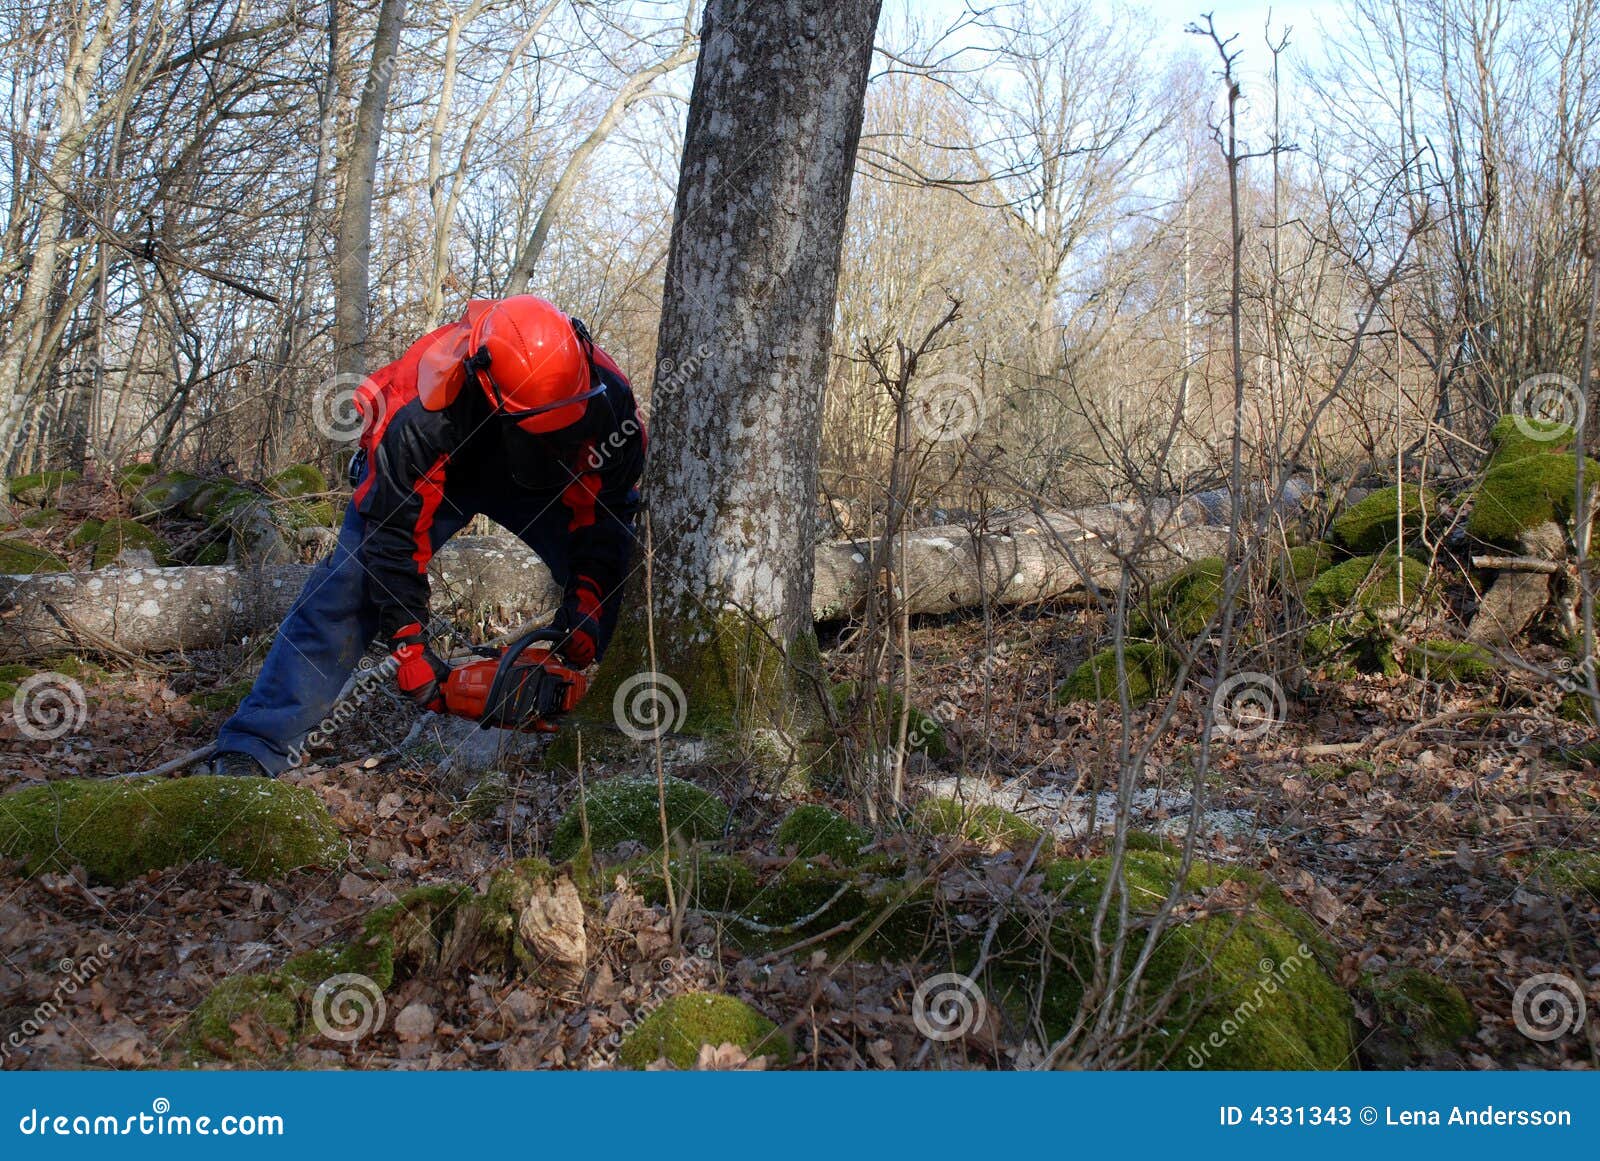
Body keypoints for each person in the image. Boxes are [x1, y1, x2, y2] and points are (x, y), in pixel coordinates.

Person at [209, 295, 645, 777]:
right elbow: (390, 538)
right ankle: (258, 742)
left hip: (550, 484)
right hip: (441, 476)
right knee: (349, 587)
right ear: (484, 385)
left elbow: (602, 516)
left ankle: (637, 715)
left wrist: (588, 605)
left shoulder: (610, 401)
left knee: (627, 575)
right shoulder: (417, 411)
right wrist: (409, 647)